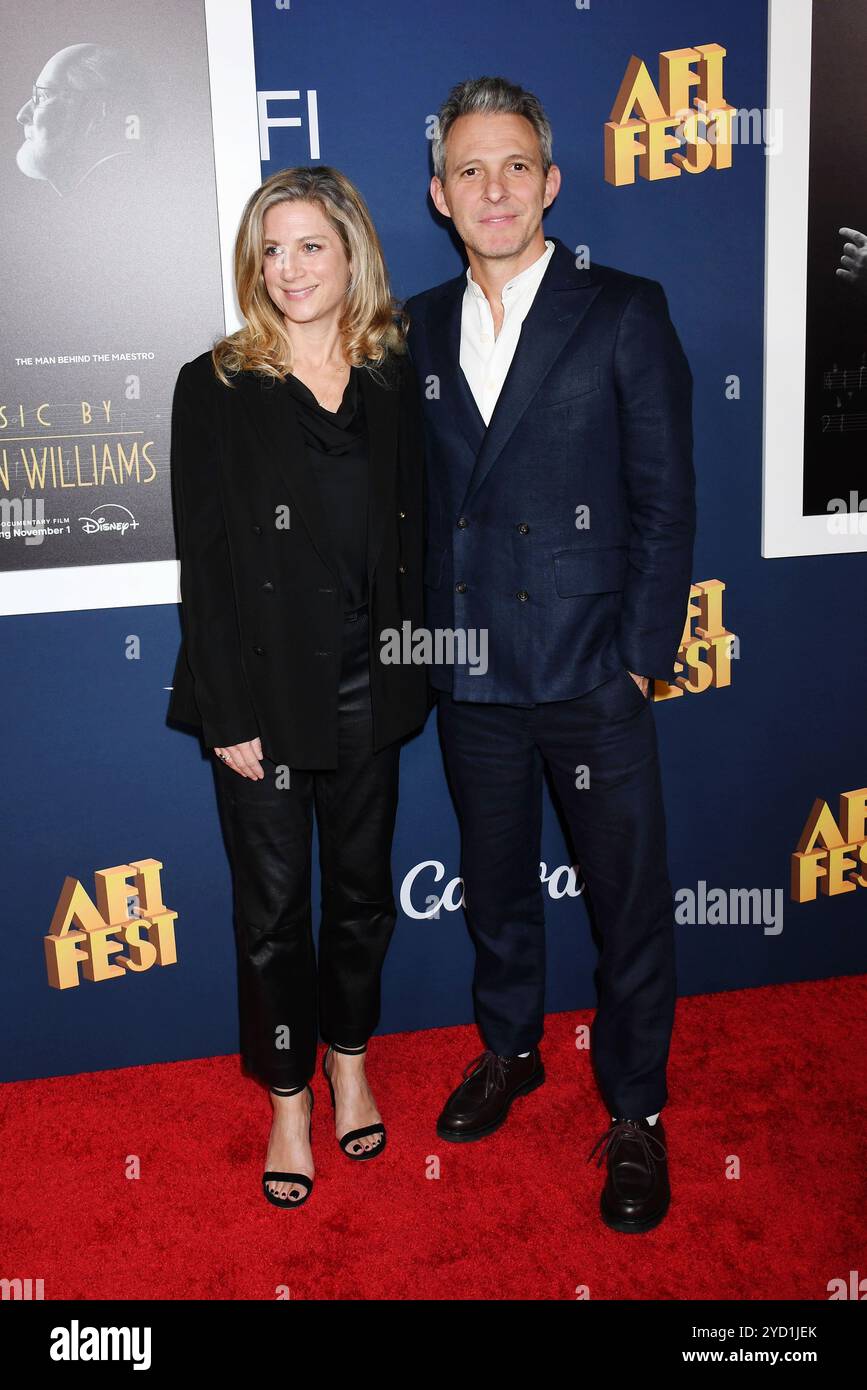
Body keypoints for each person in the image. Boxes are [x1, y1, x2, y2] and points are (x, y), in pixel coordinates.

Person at [404, 77, 696, 1233]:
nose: (493, 187)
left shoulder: (622, 307)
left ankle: (635, 1111)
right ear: (438, 194)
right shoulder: (414, 326)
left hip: (590, 671)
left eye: (514, 164)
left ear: (552, 181)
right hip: (474, 671)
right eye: (469, 169)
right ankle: (511, 1050)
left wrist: (636, 663)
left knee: (628, 906)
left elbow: (666, 504)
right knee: (497, 891)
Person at [167, 165, 427, 1208]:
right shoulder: (215, 383)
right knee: (275, 915)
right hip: (264, 697)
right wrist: (229, 712)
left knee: (362, 899)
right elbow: (208, 564)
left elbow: (412, 540)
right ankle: (288, 1093)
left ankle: (351, 1059)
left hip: (374, 681)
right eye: (269, 250)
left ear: (351, 251)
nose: (287, 269)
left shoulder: (395, 374)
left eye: (309, 246)